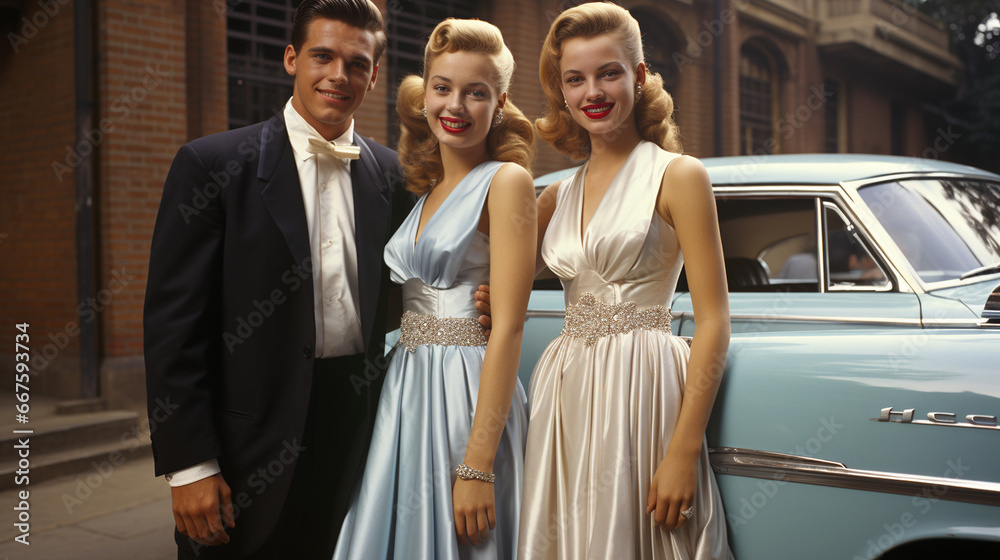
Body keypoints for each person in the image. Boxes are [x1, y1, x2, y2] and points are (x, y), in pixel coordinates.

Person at [143, 1, 489, 558]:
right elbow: (173, 328)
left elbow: (421, 279)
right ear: (291, 59)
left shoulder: (395, 177)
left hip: (361, 431)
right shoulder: (212, 166)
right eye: (322, 56)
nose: (338, 75)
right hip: (246, 443)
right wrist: (189, 465)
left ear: (374, 75)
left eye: (357, 63)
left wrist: (478, 300)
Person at [518, 3, 734, 559]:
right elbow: (495, 276)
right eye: (575, 79)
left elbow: (714, 321)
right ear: (562, 90)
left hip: (644, 387)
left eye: (608, 73)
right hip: (564, 390)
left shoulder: (679, 176)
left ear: (638, 76)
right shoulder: (556, 195)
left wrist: (684, 450)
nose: (592, 91)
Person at [333, 18, 536, 560]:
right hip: (406, 384)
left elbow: (509, 327)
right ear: (425, 96)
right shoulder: (423, 191)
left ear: (500, 103)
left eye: (477, 92)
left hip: (466, 389)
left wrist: (478, 464)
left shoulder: (507, 181)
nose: (456, 105)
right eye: (443, 88)